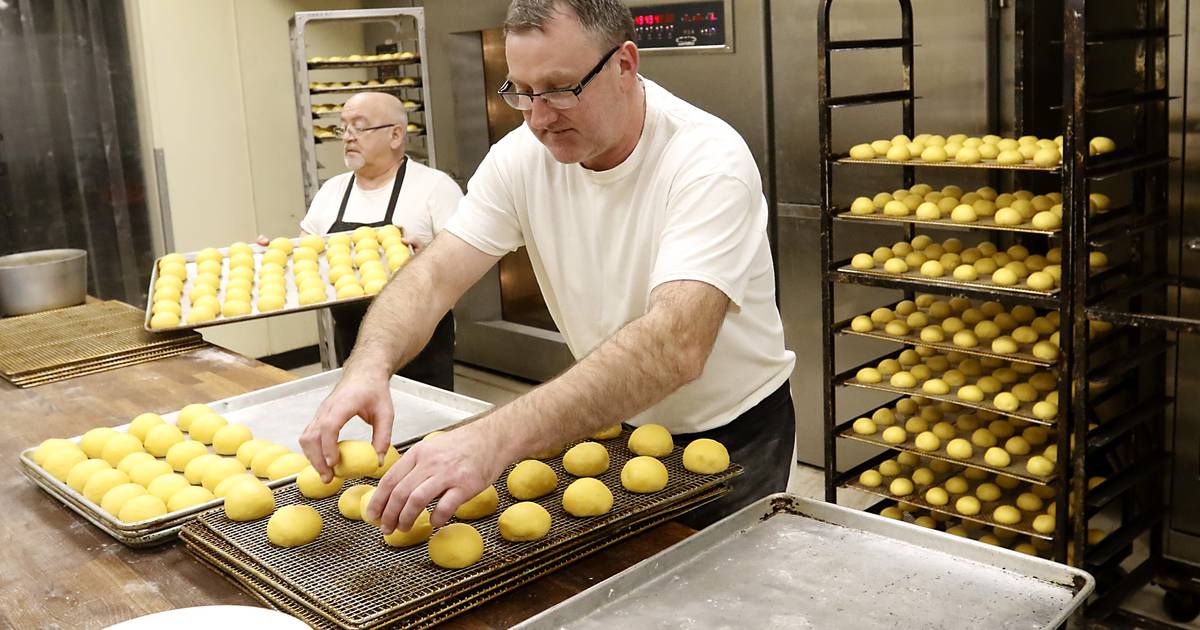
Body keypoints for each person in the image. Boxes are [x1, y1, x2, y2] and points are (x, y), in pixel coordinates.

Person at [300, 0, 796, 533]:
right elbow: (434, 274)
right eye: (521, 92)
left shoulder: (706, 161)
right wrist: (367, 367)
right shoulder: (521, 158)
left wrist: (491, 437)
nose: (538, 117)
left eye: (561, 89)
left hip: (731, 432)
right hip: (611, 418)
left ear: (624, 66)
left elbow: (676, 344)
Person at [299, 91, 462, 390]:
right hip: (351, 346)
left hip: (420, 352)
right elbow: (304, 259)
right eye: (343, 128)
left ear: (396, 135)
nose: (347, 137)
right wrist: (271, 257)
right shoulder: (332, 192)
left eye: (359, 127)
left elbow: (465, 269)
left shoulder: (435, 188)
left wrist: (427, 264)